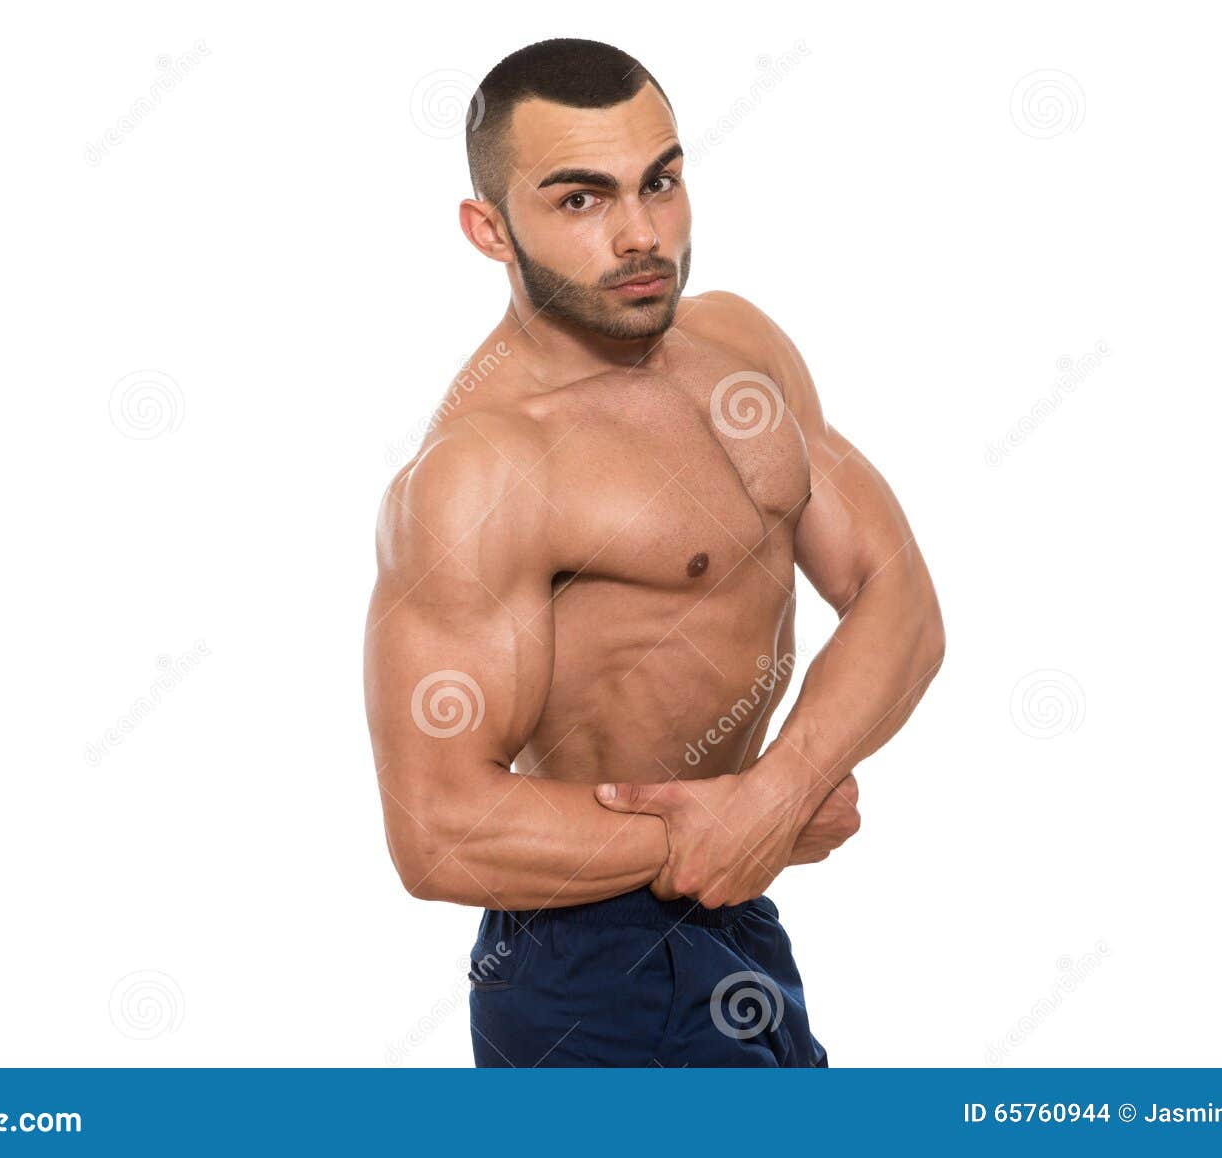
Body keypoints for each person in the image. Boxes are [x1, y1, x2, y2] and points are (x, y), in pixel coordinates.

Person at [365, 38, 944, 1066]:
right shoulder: (484, 470)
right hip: (584, 969)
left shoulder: (741, 349)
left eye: (660, 183)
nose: (641, 235)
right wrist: (715, 831)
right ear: (488, 229)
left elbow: (894, 594)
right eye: (580, 201)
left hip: (738, 922)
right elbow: (439, 827)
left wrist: (778, 789)